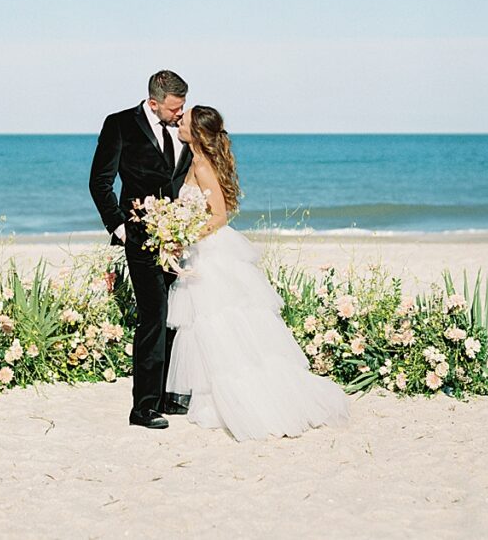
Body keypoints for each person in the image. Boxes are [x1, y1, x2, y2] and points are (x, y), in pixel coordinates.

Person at [165, 105, 350, 440]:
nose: (180, 121)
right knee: (207, 325)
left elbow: (220, 215)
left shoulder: (203, 165)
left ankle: (240, 398)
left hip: (211, 252)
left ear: (199, 132)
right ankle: (208, 399)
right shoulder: (194, 160)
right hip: (201, 249)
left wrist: (185, 236)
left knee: (218, 322)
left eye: (186, 120)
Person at [89, 70, 193, 429]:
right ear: (153, 103)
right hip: (140, 235)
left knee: (174, 312)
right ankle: (143, 407)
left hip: (178, 235)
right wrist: (119, 227)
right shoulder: (120, 124)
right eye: (174, 108)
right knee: (153, 312)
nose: (180, 114)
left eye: (182, 107)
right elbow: (100, 180)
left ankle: (166, 394)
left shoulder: (184, 131)